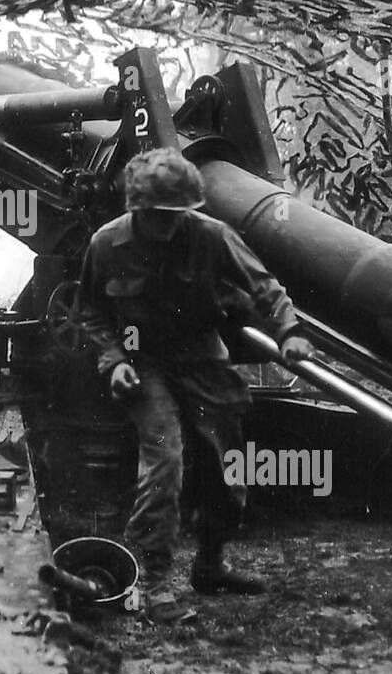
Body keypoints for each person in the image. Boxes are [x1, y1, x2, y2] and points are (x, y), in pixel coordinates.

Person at [77, 148, 314, 624]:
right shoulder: (106, 245)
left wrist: (289, 332)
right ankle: (155, 581)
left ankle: (210, 564)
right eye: (158, 217)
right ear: (136, 210)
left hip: (203, 357)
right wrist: (114, 360)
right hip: (145, 362)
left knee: (231, 465)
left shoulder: (212, 237)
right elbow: (90, 312)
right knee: (164, 460)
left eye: (176, 216)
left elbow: (266, 286)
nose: (168, 227)